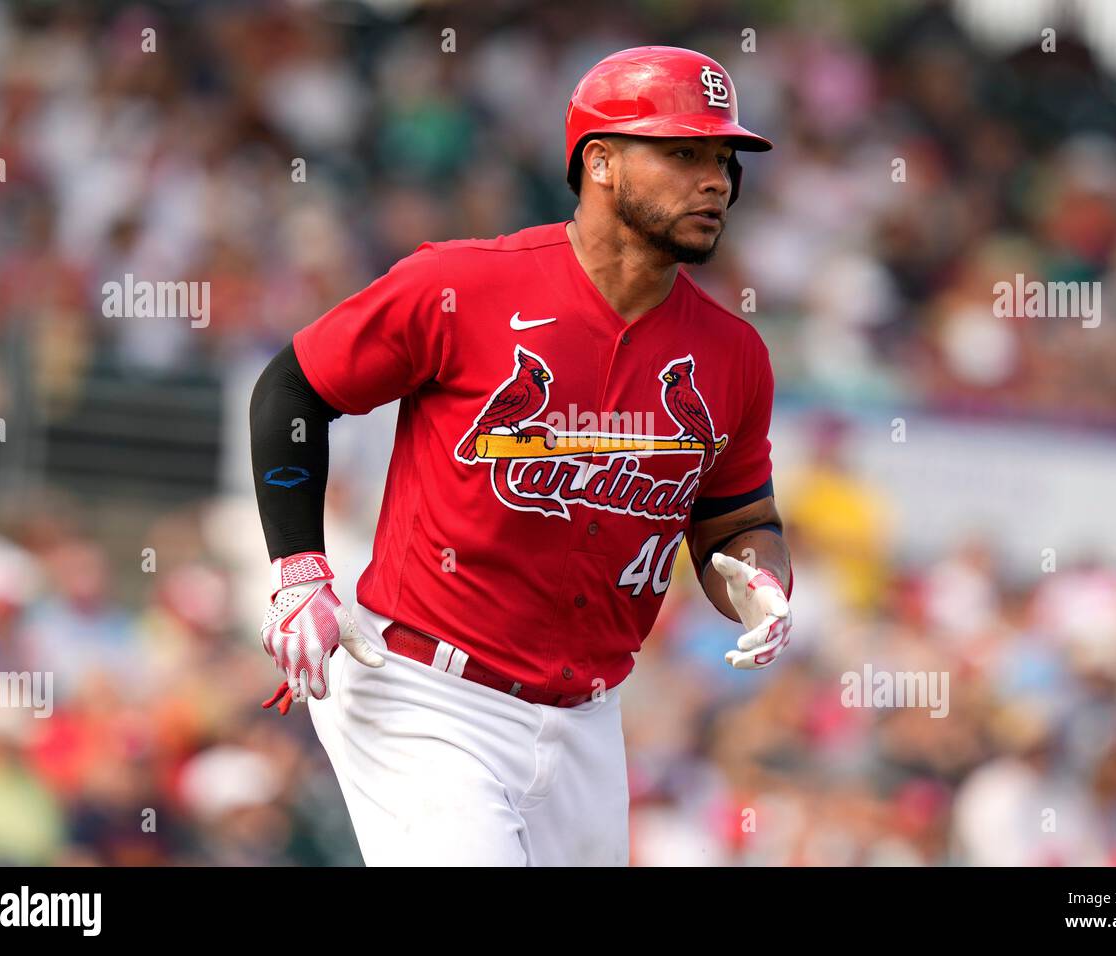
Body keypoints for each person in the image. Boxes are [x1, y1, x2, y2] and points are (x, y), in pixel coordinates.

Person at [248, 45, 794, 866]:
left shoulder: (735, 353)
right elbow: (294, 391)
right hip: (426, 692)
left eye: (723, 158)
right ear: (600, 162)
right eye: (683, 153)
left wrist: (761, 578)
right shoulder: (462, 284)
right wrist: (299, 570)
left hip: (588, 721)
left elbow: (738, 519)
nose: (715, 179)